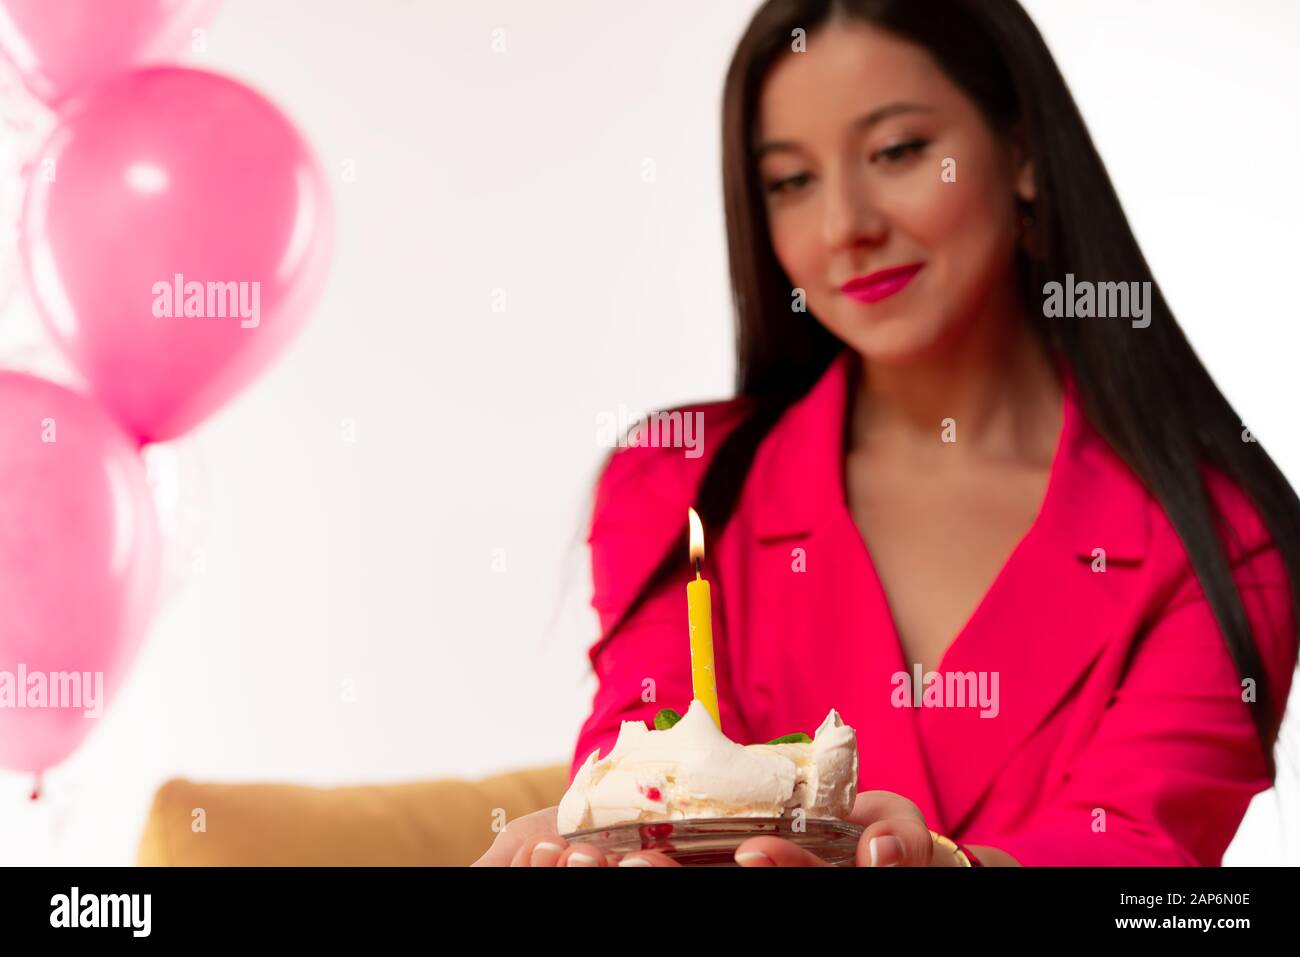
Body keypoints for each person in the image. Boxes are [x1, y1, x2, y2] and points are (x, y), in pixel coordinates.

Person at [473, 0, 1299, 867]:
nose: (845, 228)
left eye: (898, 152)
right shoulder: (676, 480)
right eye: (791, 181)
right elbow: (645, 765)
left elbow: (1145, 866)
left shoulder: (1221, 540)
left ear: (1021, 152)